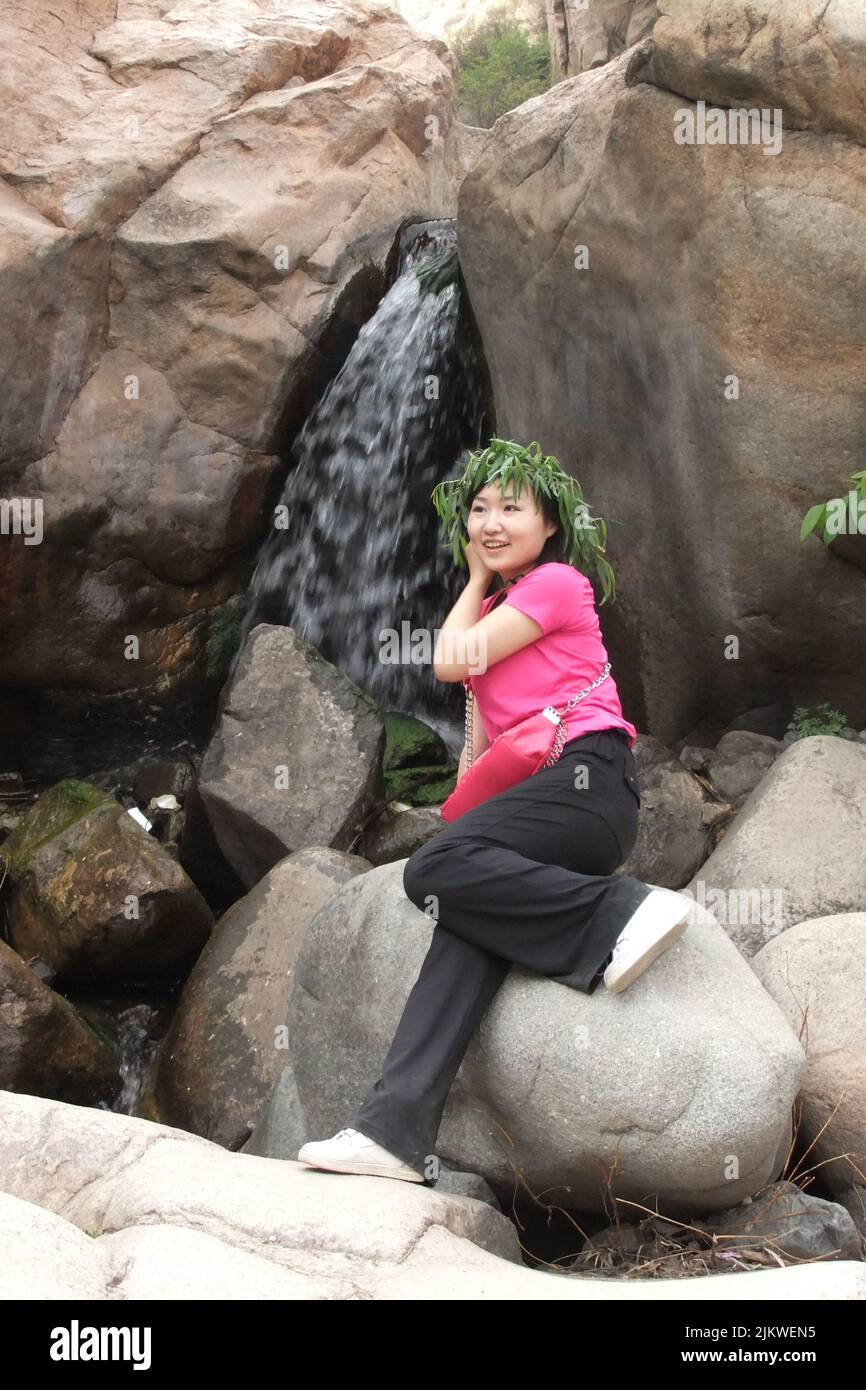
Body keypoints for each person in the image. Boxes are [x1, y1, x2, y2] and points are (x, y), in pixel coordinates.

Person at [298, 439, 691, 1184]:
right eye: (479, 509)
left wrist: (479, 582)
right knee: (463, 923)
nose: (491, 521)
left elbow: (451, 660)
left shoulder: (557, 582)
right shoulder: (505, 602)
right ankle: (395, 1133)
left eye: (512, 507)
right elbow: (468, 688)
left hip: (588, 783)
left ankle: (618, 912)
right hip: (543, 805)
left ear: (550, 526)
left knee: (433, 868)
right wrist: (477, 581)